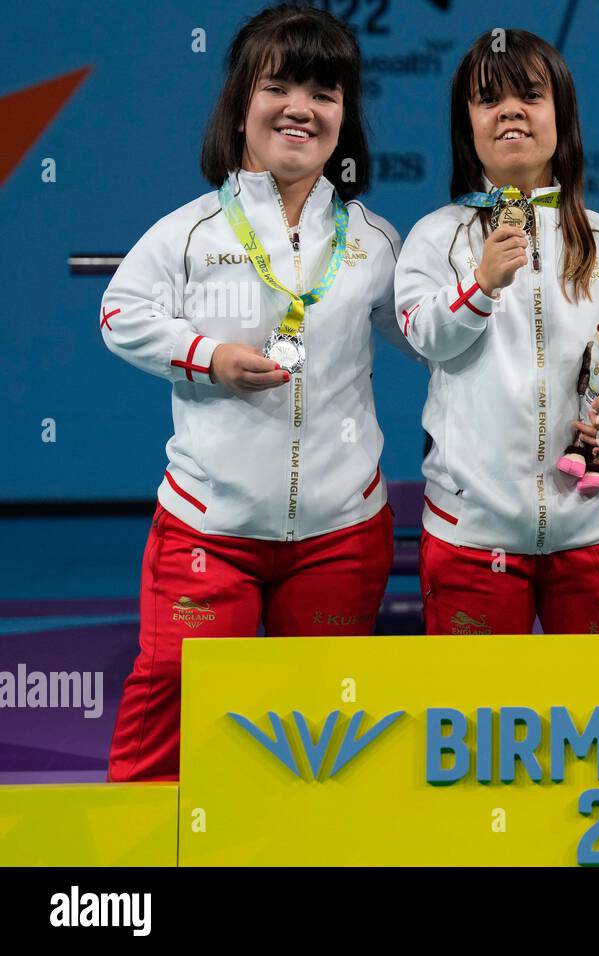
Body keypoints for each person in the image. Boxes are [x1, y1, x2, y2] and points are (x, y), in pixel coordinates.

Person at [100, 3, 416, 781]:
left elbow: (428, 337)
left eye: (325, 92)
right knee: (176, 691)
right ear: (242, 104)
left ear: (346, 117)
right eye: (279, 86)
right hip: (210, 526)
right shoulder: (190, 232)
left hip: (341, 532)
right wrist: (208, 356)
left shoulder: (377, 243)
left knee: (320, 735)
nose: (301, 108)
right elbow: (119, 314)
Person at [394, 29, 599, 636]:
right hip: (473, 533)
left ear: (562, 117)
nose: (511, 110)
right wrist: (482, 283)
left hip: (598, 527)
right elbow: (424, 335)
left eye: (530, 95)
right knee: (476, 723)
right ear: (466, 125)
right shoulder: (436, 237)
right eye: (488, 100)